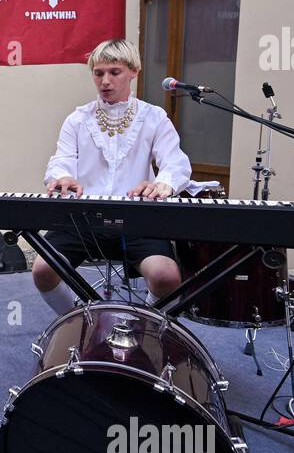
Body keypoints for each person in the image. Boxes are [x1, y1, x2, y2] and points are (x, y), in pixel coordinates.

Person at [31, 38, 190, 314]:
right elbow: (62, 160)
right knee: (43, 269)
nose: (105, 81)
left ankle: (145, 327)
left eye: (114, 72)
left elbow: (175, 162)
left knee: (167, 277)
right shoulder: (77, 119)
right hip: (83, 218)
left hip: (138, 218)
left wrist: (162, 183)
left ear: (133, 72)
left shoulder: (154, 117)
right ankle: (76, 323)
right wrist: (62, 177)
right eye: (98, 73)